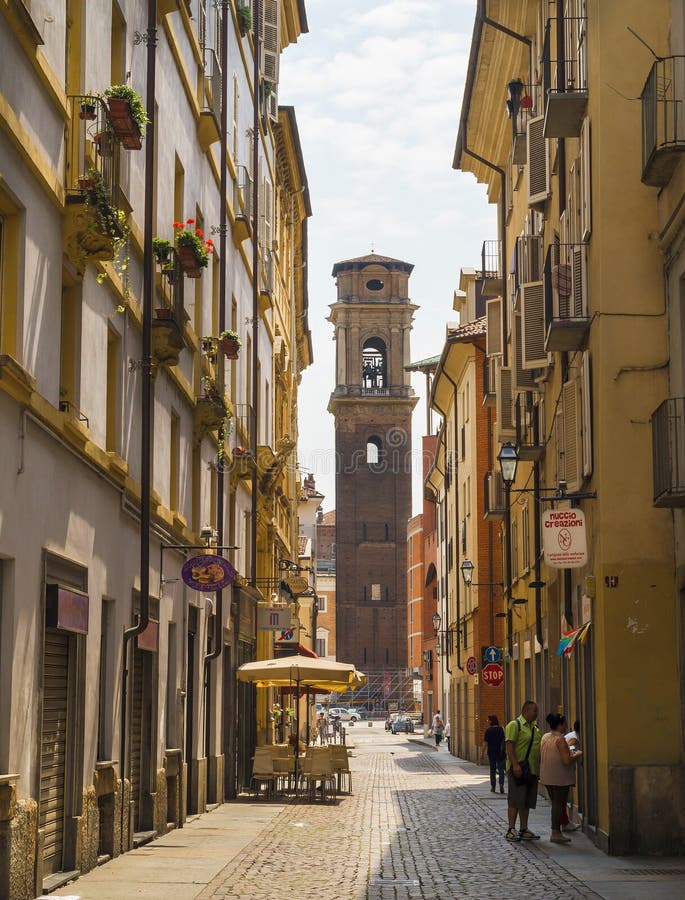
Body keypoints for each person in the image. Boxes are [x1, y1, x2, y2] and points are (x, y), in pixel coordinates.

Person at [539, 712, 583, 843]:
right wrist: (577, 754)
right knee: (559, 805)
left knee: (555, 804)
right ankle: (555, 832)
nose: (566, 726)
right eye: (564, 723)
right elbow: (566, 760)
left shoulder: (546, 736)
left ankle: (559, 828)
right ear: (560, 724)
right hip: (559, 777)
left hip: (547, 776)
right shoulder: (560, 740)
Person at [504, 700, 542, 842]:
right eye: (535, 711)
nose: (537, 713)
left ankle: (523, 829)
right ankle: (511, 829)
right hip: (518, 768)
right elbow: (509, 746)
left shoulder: (534, 728)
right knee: (515, 799)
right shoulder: (515, 725)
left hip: (531, 769)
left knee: (526, 800)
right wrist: (515, 765)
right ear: (526, 711)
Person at [561, 719, 582, 832]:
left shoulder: (572, 734)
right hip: (564, 769)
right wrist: (576, 753)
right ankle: (565, 823)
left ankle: (565, 822)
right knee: (562, 798)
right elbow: (569, 748)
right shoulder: (574, 737)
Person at [481, 714, 506, 794]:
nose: (487, 721)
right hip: (500, 752)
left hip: (491, 752)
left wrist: (482, 753)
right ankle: (501, 784)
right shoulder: (501, 729)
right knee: (501, 769)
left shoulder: (488, 730)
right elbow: (504, 740)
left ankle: (493, 786)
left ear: (491, 721)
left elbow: (485, 743)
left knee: (492, 769)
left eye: (488, 720)